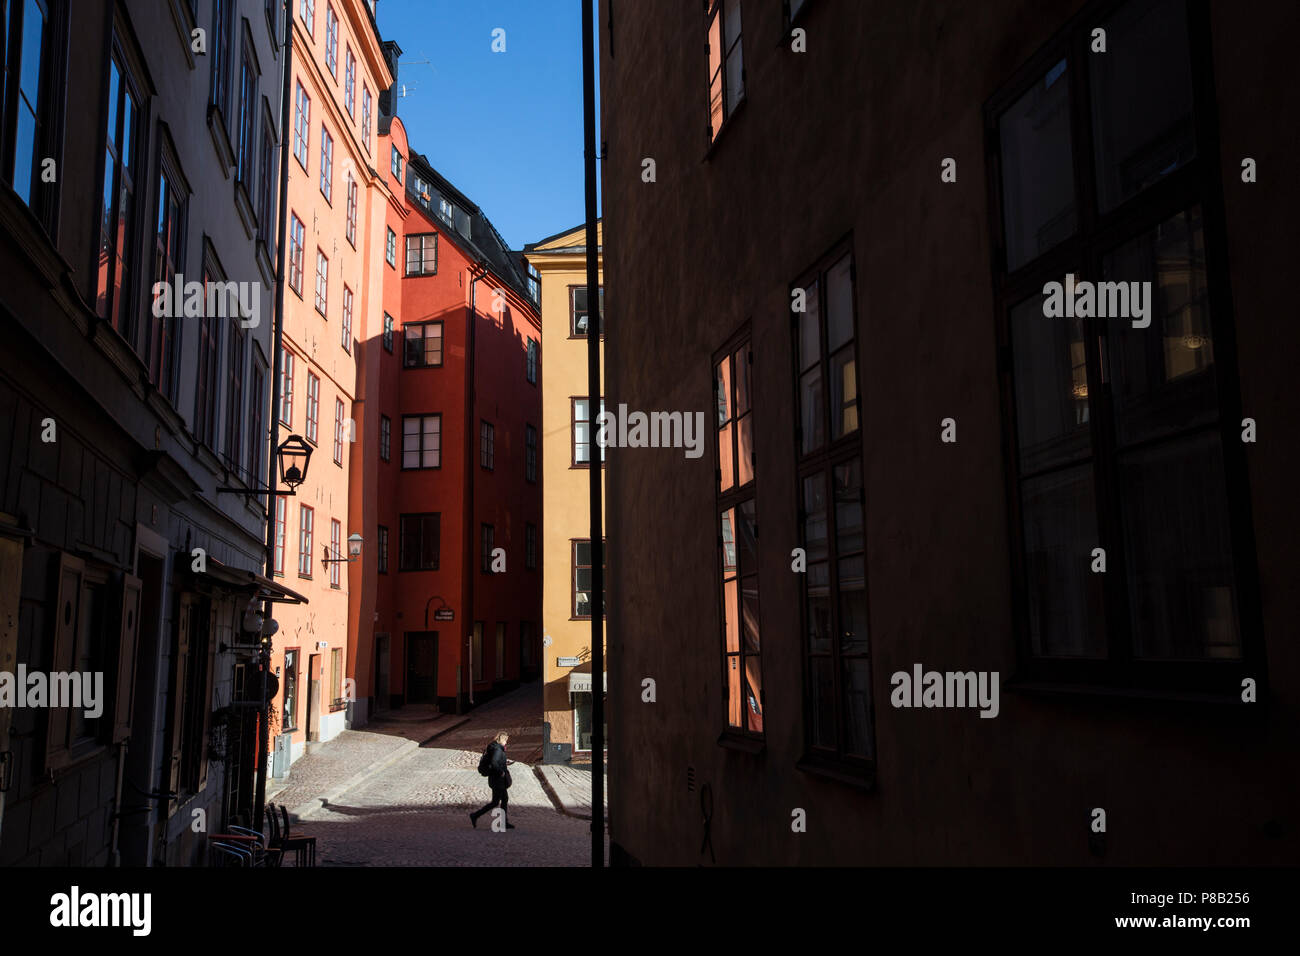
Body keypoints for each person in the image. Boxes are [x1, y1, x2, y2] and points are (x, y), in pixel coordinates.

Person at [470, 732, 514, 829]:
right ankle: (475, 815)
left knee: (504, 799)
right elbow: (494, 763)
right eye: (506, 740)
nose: (506, 742)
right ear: (502, 740)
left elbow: (495, 760)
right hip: (498, 779)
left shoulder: (495, 747)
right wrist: (501, 772)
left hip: (496, 779)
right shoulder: (498, 749)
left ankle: (504, 822)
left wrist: (503, 762)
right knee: (495, 802)